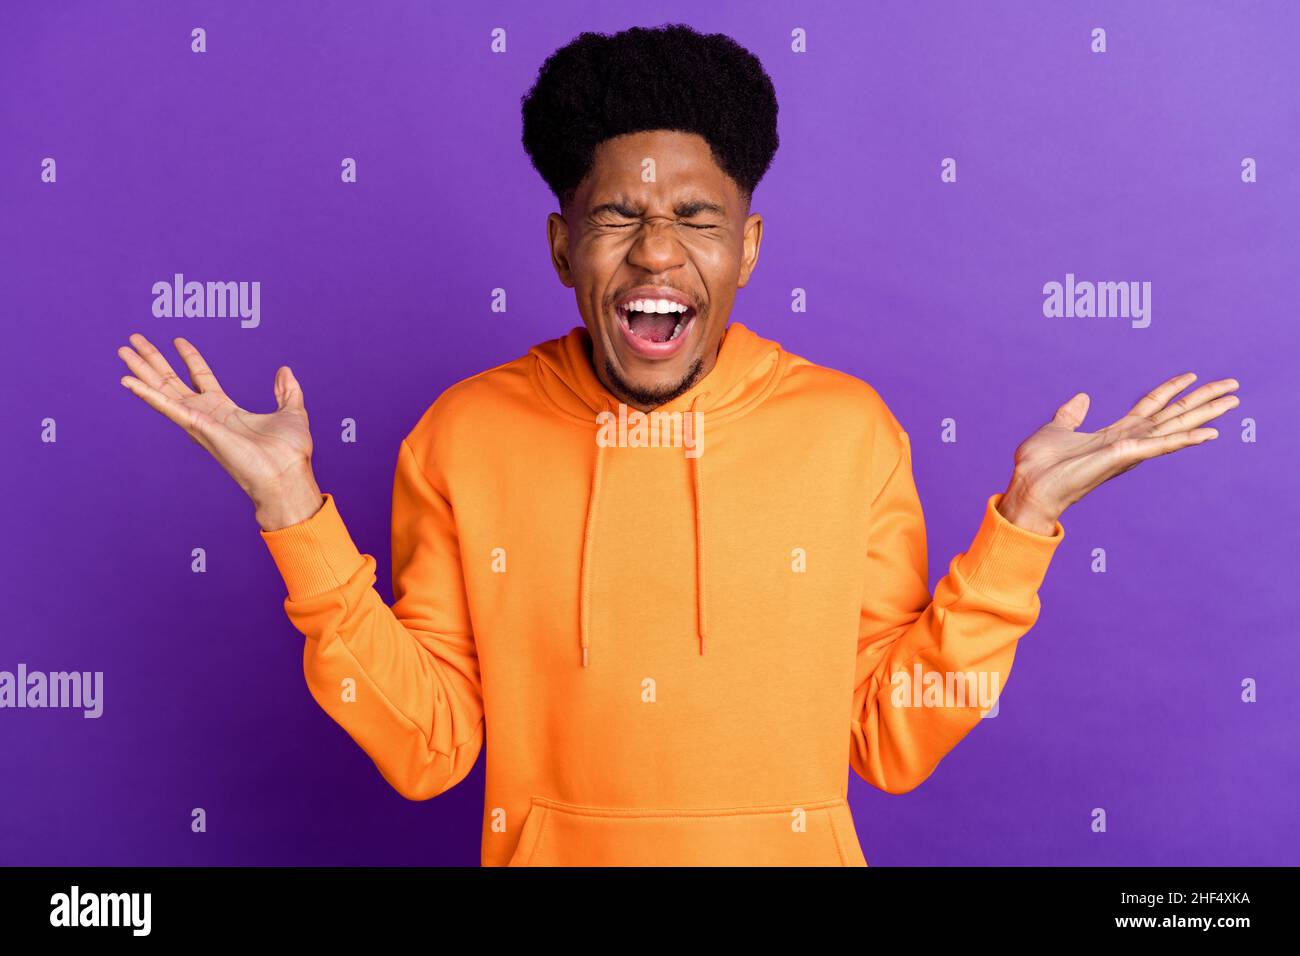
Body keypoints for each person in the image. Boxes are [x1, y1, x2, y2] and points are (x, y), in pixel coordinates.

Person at [116, 23, 1240, 866]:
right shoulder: (461, 434)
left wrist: (1022, 529)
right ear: (563, 246)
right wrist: (293, 514)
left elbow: (893, 741)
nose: (657, 252)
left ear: (747, 247)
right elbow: (430, 747)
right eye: (617, 217)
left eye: (696, 218)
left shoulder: (849, 430)